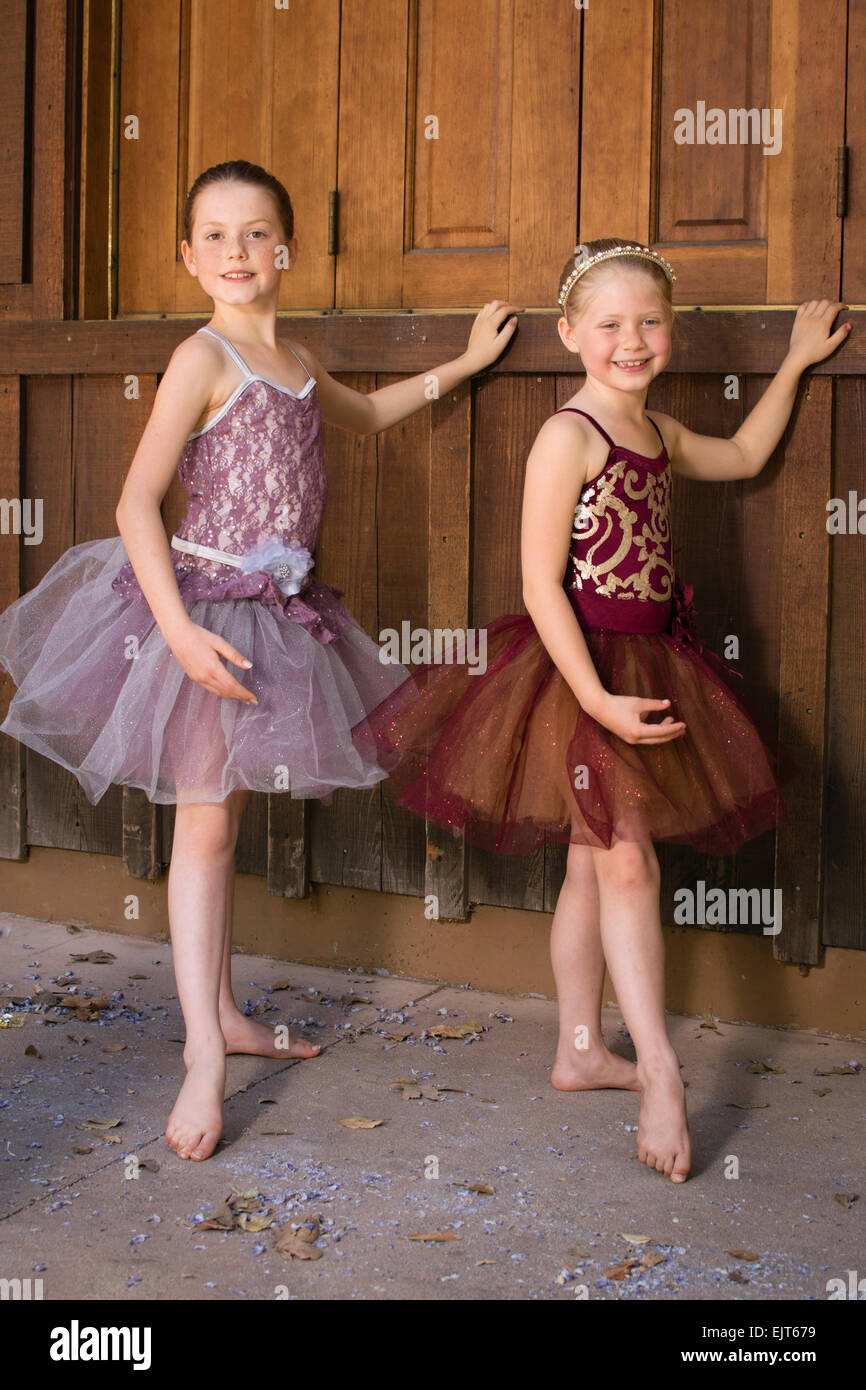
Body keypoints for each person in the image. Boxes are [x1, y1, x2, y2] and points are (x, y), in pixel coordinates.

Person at [0, 160, 521, 1161]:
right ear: (187, 257)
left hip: (277, 615)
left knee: (224, 821)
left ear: (286, 248)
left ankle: (227, 1014)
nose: (239, 253)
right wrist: (182, 633)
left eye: (257, 234)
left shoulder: (294, 355)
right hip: (196, 610)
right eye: (217, 236)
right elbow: (131, 505)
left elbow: (363, 416)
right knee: (203, 829)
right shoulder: (200, 358)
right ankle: (203, 1051)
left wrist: (459, 365)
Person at [352, 238, 851, 1183]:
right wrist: (597, 701)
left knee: (591, 868)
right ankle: (662, 1071)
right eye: (612, 324)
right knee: (625, 861)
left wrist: (791, 360)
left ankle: (580, 1048)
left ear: (672, 332)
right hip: (576, 673)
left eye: (651, 322)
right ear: (572, 333)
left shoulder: (657, 430)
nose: (633, 339)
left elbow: (744, 452)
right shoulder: (569, 434)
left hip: (652, 662)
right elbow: (542, 585)